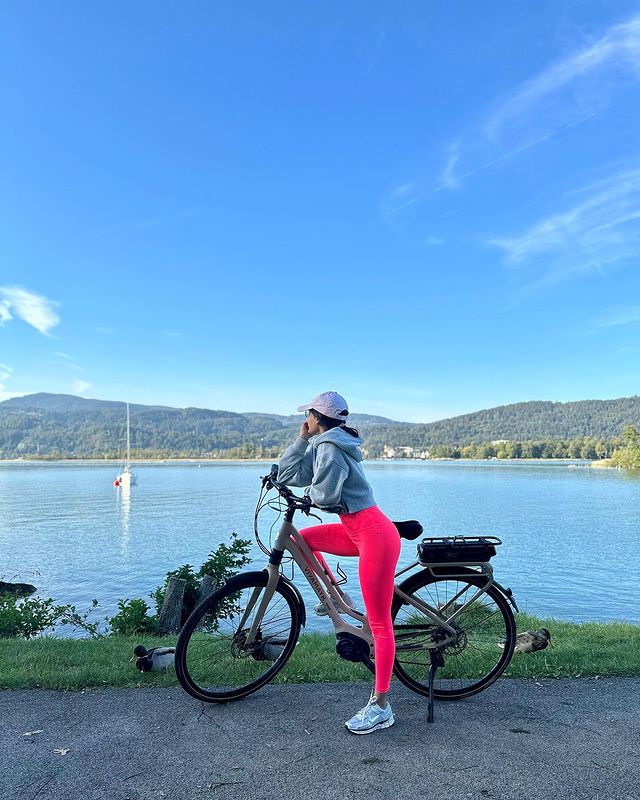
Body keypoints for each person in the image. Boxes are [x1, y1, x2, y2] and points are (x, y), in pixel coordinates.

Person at [277, 391, 401, 734]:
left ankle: (381, 706)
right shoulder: (323, 444)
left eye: (309, 416)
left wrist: (308, 497)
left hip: (374, 534)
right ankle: (337, 599)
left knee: (379, 623)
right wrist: (301, 440)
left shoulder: (331, 449)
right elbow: (291, 474)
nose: (306, 420)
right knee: (305, 540)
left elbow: (326, 495)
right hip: (356, 528)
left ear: (319, 416)